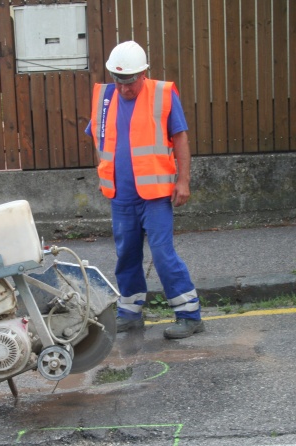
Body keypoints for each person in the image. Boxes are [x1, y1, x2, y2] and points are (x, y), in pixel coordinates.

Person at [87, 41, 204, 340]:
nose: (124, 88)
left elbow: (180, 139)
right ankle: (129, 312)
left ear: (144, 73)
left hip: (154, 196)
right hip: (121, 196)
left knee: (163, 255)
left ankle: (189, 315)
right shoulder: (104, 97)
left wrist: (184, 180)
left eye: (130, 81)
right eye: (118, 80)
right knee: (126, 254)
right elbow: (99, 138)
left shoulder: (162, 94)